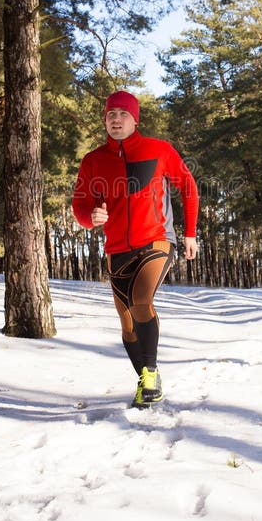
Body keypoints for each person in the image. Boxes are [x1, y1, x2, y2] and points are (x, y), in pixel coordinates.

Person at [72, 90, 199, 408]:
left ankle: (152, 373)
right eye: (111, 115)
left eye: (123, 114)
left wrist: (191, 233)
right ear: (105, 120)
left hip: (157, 239)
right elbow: (80, 205)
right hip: (116, 249)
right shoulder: (93, 160)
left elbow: (189, 187)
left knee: (142, 300)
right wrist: (91, 217)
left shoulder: (158, 150)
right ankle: (146, 381)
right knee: (127, 322)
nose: (116, 120)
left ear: (135, 119)